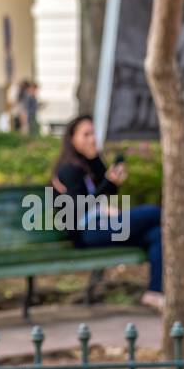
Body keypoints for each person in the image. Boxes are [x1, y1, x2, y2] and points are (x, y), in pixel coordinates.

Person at [52, 115, 164, 310]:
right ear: (72, 138)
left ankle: (154, 292)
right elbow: (81, 206)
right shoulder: (68, 170)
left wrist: (101, 167)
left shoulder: (87, 163)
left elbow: (107, 190)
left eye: (93, 134)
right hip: (86, 233)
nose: (92, 139)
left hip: (102, 226)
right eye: (85, 134)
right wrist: (106, 190)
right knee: (155, 212)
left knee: (157, 234)